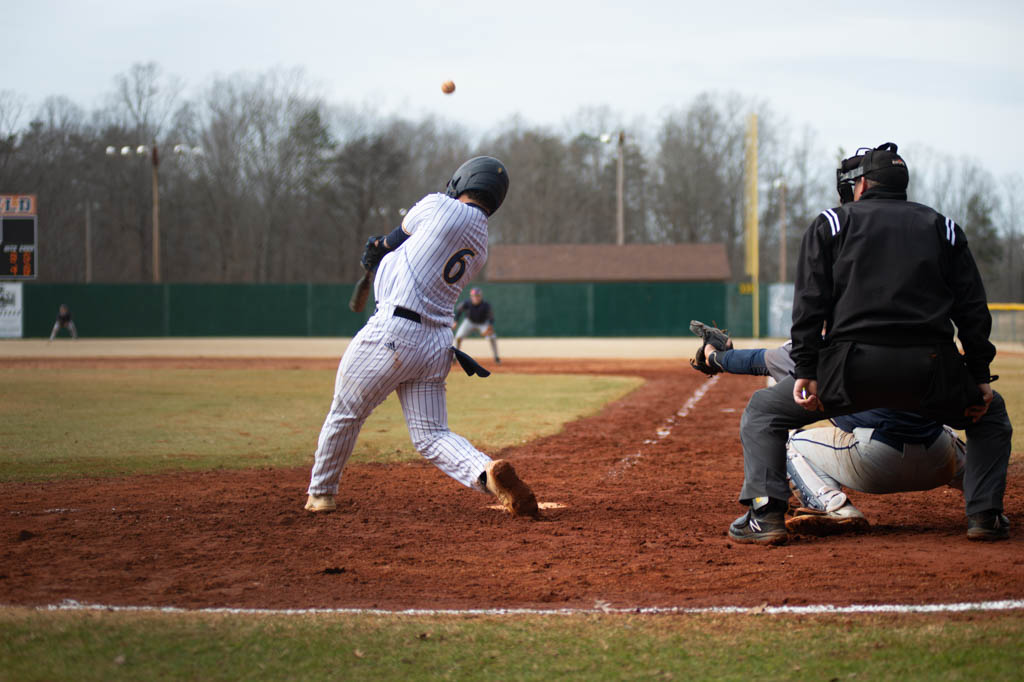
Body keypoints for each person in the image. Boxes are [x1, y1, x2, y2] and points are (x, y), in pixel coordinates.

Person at [727, 142, 1012, 545]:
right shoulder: (943, 227)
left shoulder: (832, 222)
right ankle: (984, 516)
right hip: (931, 369)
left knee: (763, 411)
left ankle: (765, 515)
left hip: (852, 370)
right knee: (991, 413)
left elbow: (809, 305)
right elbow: (972, 311)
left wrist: (806, 369)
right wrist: (979, 374)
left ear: (861, 185)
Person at [305, 156, 539, 518]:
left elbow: (395, 239)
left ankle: (321, 494)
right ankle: (487, 473)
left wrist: (378, 248)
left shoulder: (438, 205)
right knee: (432, 435)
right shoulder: (481, 243)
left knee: (346, 413)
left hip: (392, 333)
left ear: (462, 181)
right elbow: (411, 253)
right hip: (436, 345)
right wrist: (383, 257)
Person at [689, 321, 965, 535]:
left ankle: (833, 506)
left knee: (788, 442)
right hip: (940, 459)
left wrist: (714, 356)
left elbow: (756, 361)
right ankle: (981, 504)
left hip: (877, 462)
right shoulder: (918, 337)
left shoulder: (816, 349)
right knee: (947, 435)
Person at [453, 287, 500, 364]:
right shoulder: (467, 303)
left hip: (483, 323)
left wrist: (490, 326)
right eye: (473, 296)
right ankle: (454, 357)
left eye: (477, 296)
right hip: (469, 322)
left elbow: (491, 317)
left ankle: (496, 357)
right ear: (471, 297)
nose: (475, 298)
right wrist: (456, 321)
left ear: (481, 296)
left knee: (492, 337)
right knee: (458, 337)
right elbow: (459, 311)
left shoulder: (486, 305)